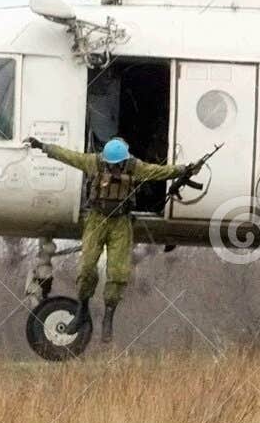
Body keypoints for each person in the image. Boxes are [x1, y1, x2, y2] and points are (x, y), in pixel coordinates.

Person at [24, 135, 192, 344]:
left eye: (116, 165)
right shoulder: (94, 162)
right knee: (86, 269)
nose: (113, 168)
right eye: (110, 165)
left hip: (121, 223)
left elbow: (157, 172)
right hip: (97, 220)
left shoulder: (134, 167)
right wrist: (43, 146)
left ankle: (108, 316)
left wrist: (183, 170)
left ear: (123, 160)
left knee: (119, 272)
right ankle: (82, 310)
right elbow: (68, 156)